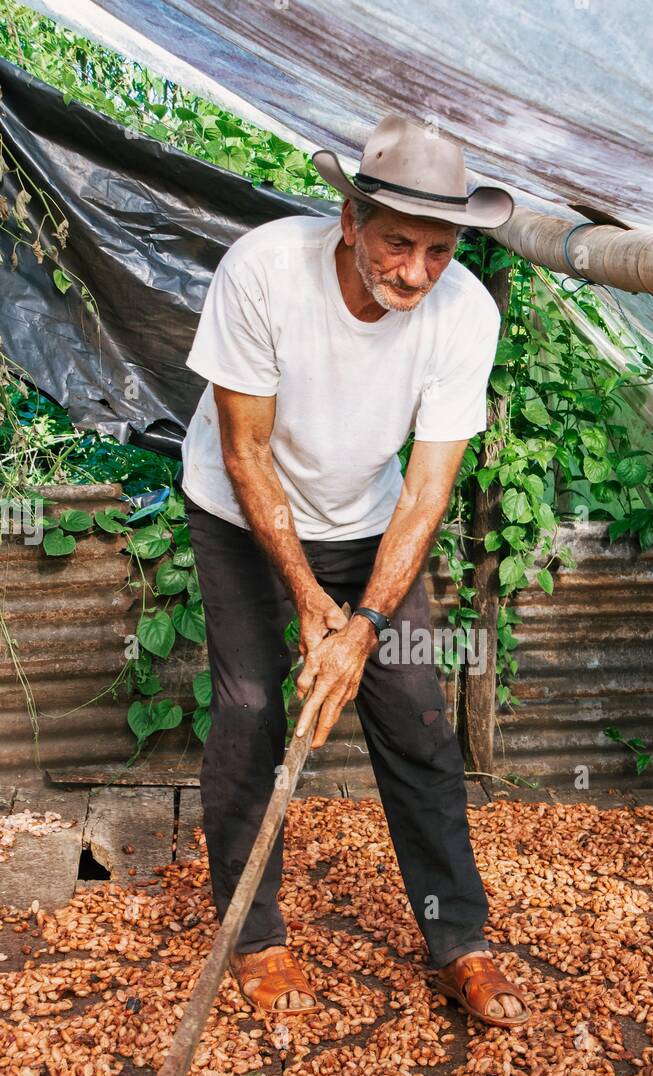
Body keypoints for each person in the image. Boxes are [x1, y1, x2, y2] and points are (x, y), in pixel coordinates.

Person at [180, 113, 531, 1028]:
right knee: (254, 709)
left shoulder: (465, 313)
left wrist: (363, 628)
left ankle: (460, 942)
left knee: (416, 713)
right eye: (398, 243)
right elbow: (248, 458)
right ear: (349, 219)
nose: (415, 272)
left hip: (373, 526)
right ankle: (256, 939)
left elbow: (424, 494)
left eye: (439, 249)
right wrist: (307, 607)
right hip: (245, 512)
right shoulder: (262, 272)